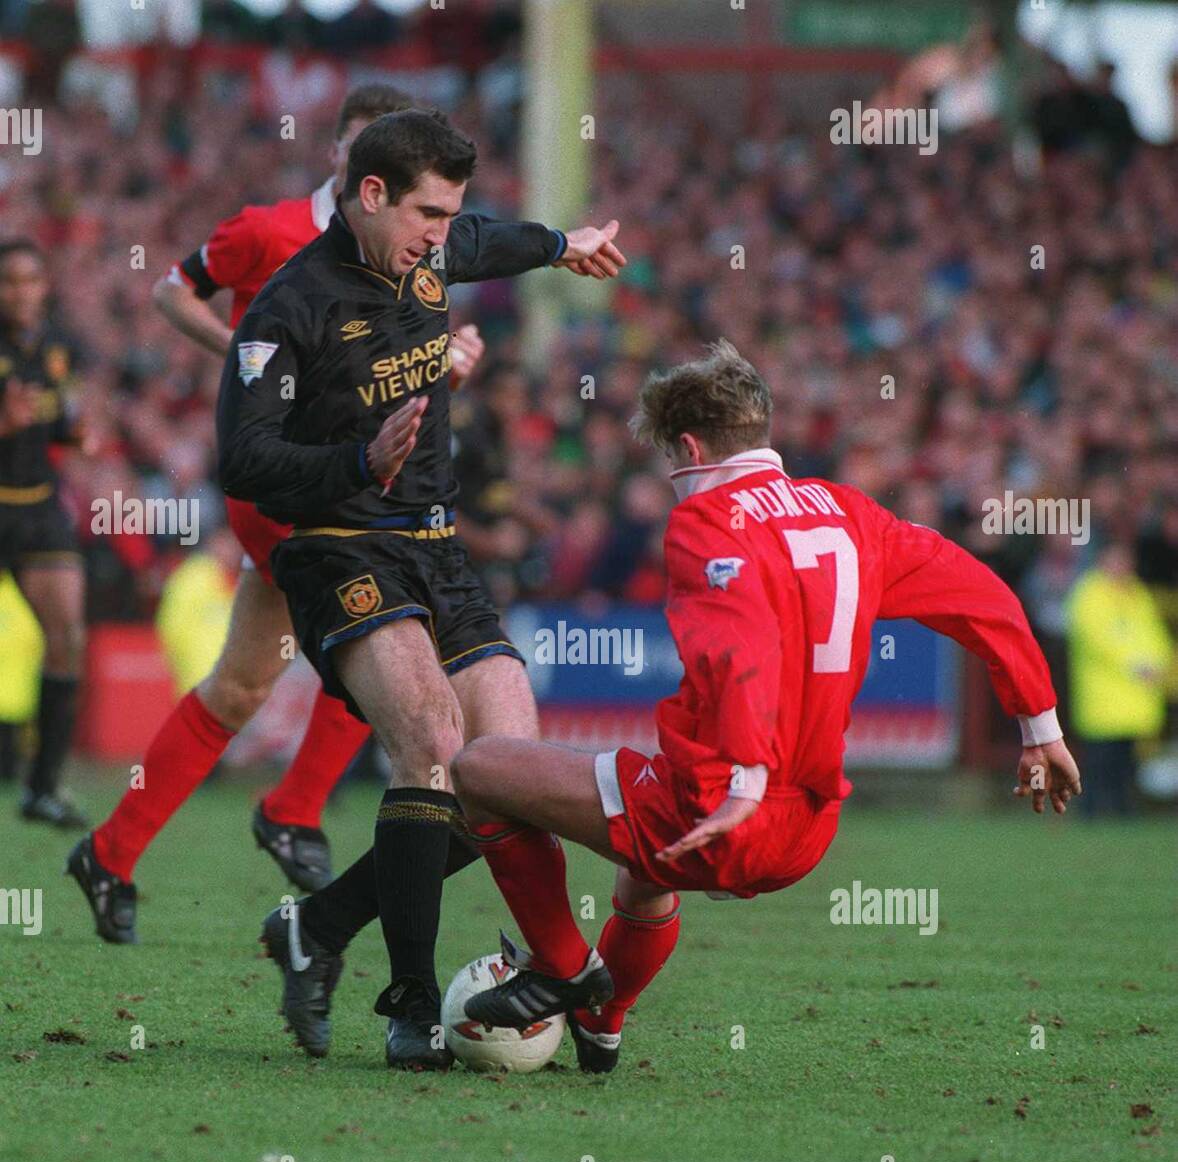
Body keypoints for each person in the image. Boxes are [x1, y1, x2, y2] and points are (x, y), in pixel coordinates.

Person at [445, 341, 1083, 1071]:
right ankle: (602, 1021)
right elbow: (982, 594)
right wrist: (1040, 727)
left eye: (670, 458)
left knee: (479, 769)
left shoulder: (706, 520)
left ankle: (562, 967)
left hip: (719, 807)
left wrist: (744, 776)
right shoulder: (850, 513)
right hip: (807, 828)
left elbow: (737, 644)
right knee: (645, 873)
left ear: (690, 447)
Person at [217, 107, 624, 1068]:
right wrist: (360, 460)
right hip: (340, 550)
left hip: (438, 551)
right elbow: (244, 460)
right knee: (434, 742)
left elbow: (485, 240)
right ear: (371, 195)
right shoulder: (288, 308)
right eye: (426, 214)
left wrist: (562, 245)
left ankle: (317, 926)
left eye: (447, 215)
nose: (440, 235)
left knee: (507, 774)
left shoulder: (433, 254)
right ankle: (409, 1004)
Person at [66, 84, 485, 943]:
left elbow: (399, 357)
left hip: (359, 478)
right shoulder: (268, 232)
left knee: (243, 683)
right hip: (290, 484)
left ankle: (113, 852)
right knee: (377, 622)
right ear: (342, 156)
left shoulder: (409, 249)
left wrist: (449, 357)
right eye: (364, 149)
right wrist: (245, 359)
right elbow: (173, 292)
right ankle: (293, 812)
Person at [0, 239, 90, 829]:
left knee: (68, 639)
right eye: (9, 281)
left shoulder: (60, 346)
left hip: (36, 505)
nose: (20, 291)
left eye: (30, 279)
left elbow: (66, 421)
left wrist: (78, 433)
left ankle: (42, 788)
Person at [1066, 539, 1172, 816]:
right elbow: (1097, 637)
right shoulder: (1090, 594)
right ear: (1103, 562)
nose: (1122, 567)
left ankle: (1122, 808)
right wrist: (1135, 664)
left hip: (1135, 697)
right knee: (1100, 758)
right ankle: (1091, 810)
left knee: (1128, 760)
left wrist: (1159, 663)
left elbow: (1154, 632)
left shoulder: (1137, 594)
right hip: (1105, 694)